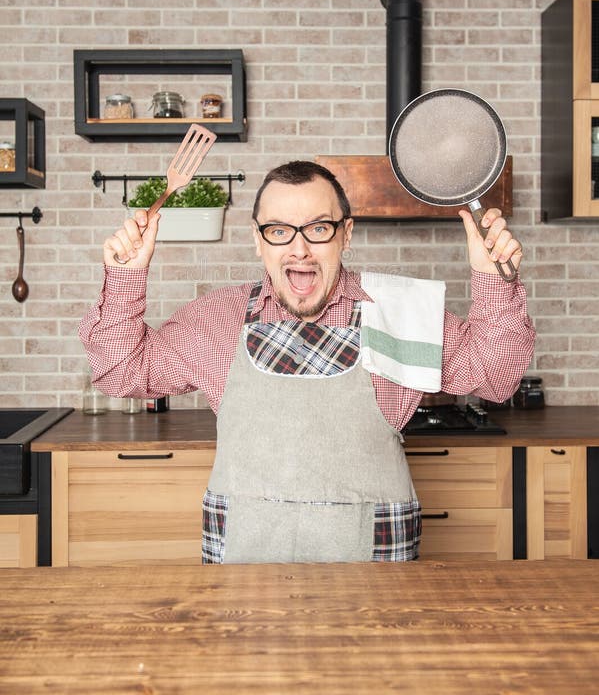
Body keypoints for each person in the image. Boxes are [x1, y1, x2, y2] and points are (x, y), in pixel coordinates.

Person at [79, 160, 535, 564]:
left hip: (376, 585)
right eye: (279, 230)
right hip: (244, 580)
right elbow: (121, 371)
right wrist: (125, 278)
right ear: (257, 239)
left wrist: (492, 281)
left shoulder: (398, 312)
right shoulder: (216, 320)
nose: (299, 249)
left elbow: (495, 379)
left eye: (318, 228)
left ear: (346, 234)